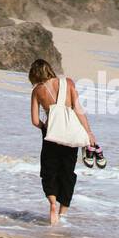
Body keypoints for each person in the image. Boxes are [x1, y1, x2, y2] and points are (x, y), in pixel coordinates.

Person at [28, 59, 97, 225]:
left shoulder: (37, 91)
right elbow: (79, 110)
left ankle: (52, 204)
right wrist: (89, 133)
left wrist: (47, 127)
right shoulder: (68, 83)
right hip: (70, 136)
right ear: (50, 69)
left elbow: (35, 120)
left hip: (51, 136)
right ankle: (62, 214)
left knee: (49, 170)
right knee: (68, 173)